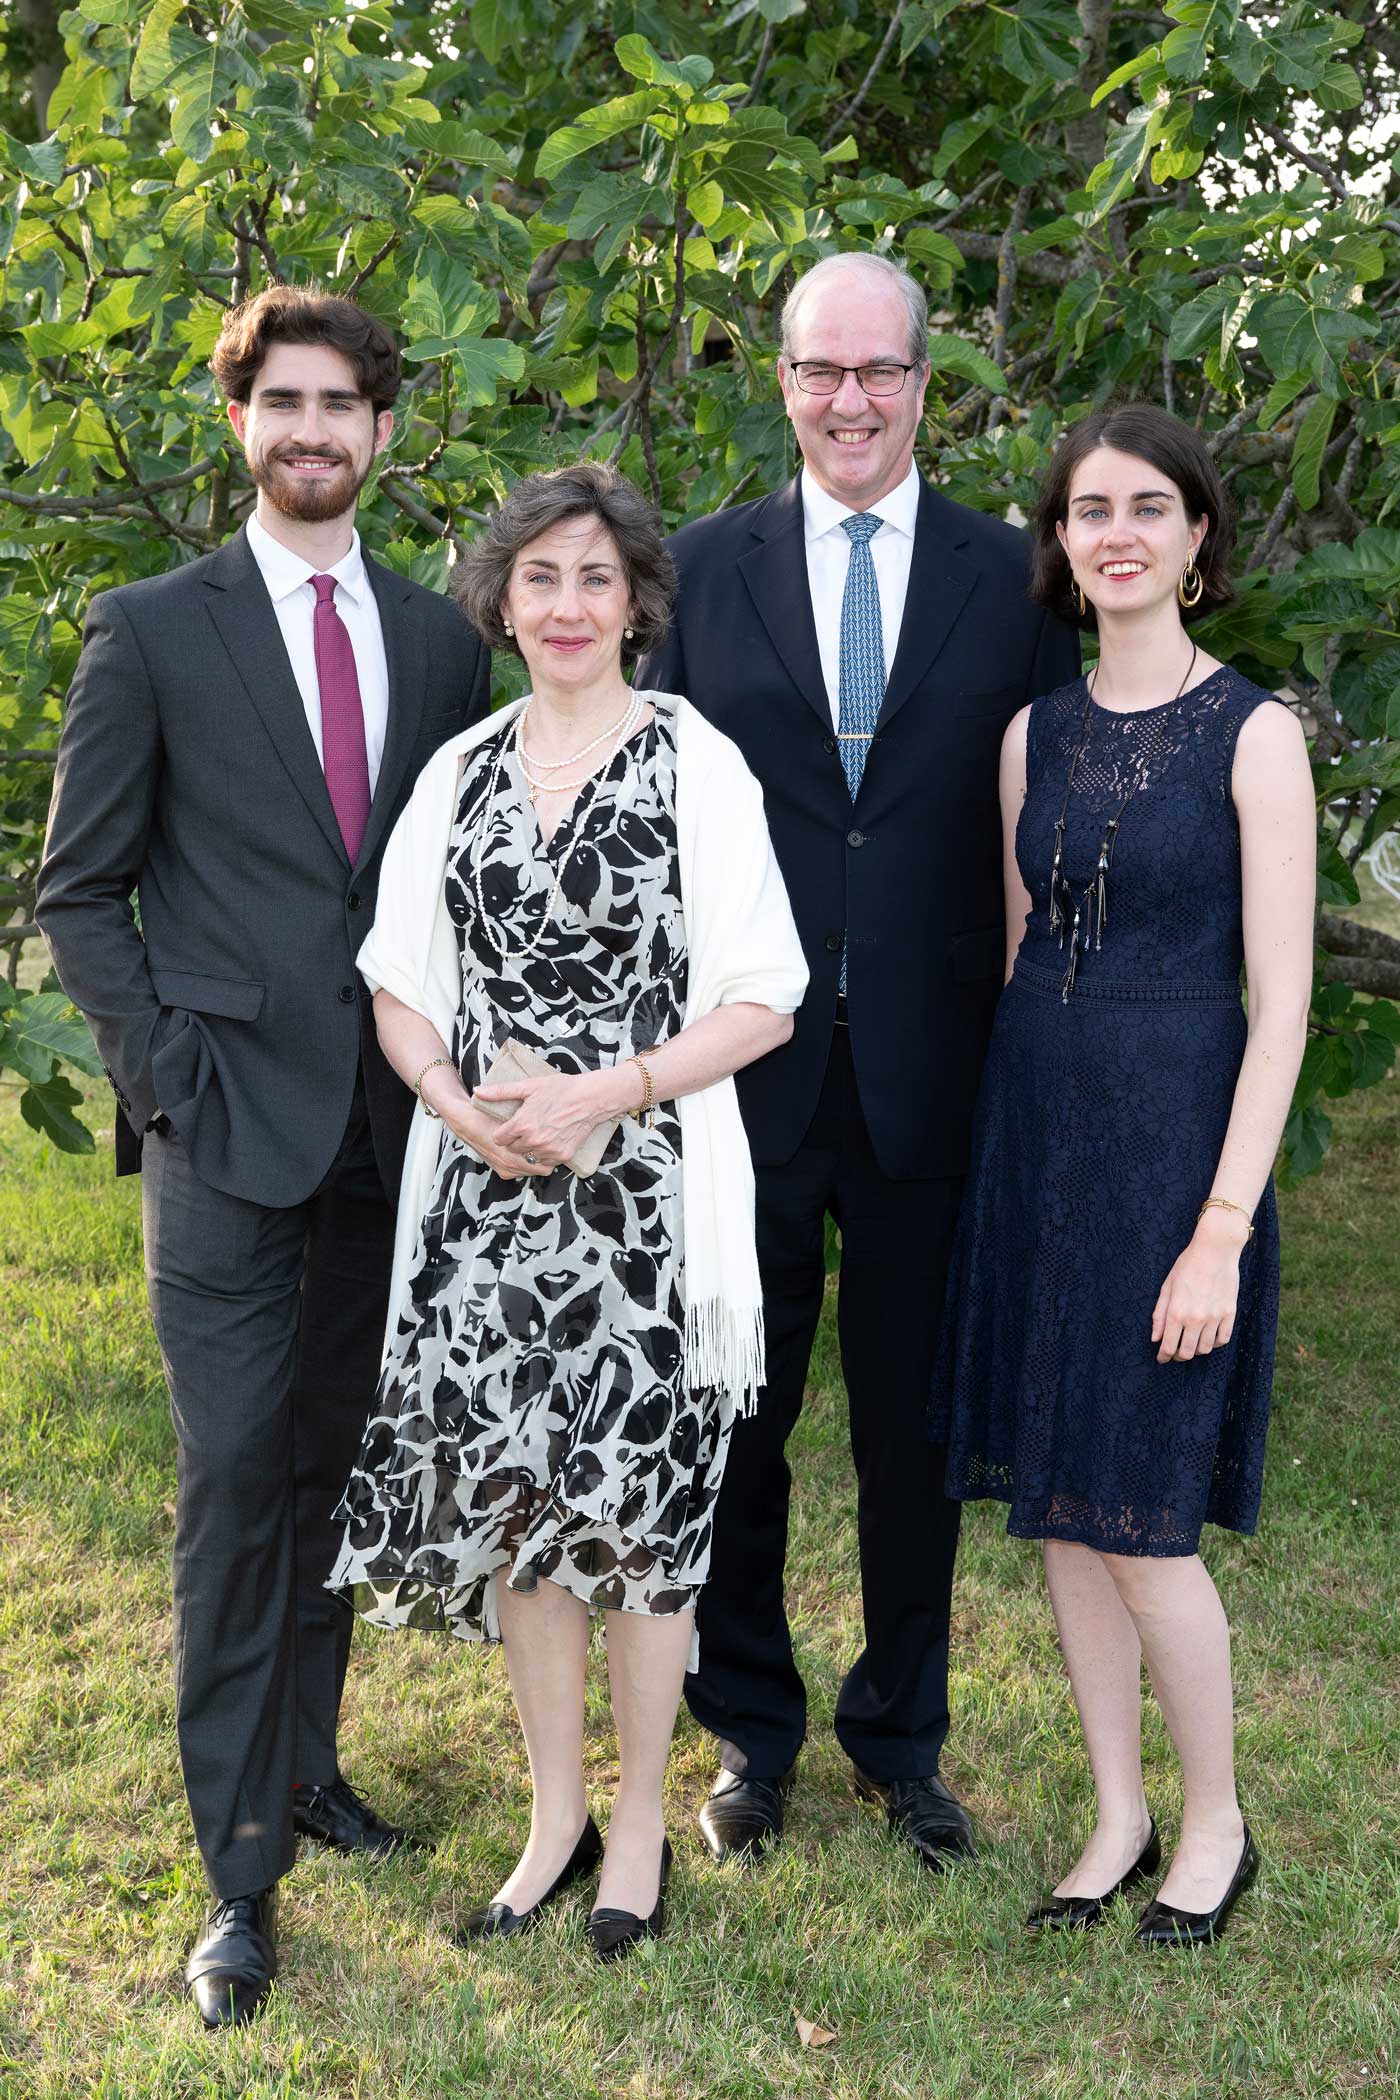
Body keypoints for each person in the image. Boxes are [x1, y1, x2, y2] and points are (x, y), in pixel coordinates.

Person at [35, 285, 490, 2026]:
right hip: (222, 1128)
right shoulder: (152, 627)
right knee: (235, 1481)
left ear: (382, 430)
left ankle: (304, 1762)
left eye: (341, 405)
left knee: (331, 1469)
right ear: (240, 423)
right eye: (281, 403)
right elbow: (82, 890)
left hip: (392, 1130)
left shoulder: (440, 644)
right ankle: (237, 1872)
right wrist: (163, 1077)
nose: (312, 431)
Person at [635, 251, 1081, 1872]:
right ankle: (748, 1732)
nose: (850, 400)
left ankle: (902, 1738)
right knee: (737, 1421)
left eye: (880, 370)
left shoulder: (1014, 582)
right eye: (821, 370)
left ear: (923, 385)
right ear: (782, 383)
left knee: (914, 1435)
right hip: (742, 1074)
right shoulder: (695, 571)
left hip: (935, 1070)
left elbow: (1048, 818)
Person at [328, 462, 807, 1961]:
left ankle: (641, 1827)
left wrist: (610, 1089)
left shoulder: (696, 763)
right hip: (488, 1206)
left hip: (646, 1207)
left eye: (597, 578)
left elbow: (768, 998)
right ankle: (554, 1823)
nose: (569, 605)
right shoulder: (461, 771)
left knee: (643, 1527)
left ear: (638, 602)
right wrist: (456, 1103)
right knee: (525, 1522)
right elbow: (400, 983)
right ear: (502, 599)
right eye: (541, 578)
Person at [931, 402, 1314, 1946]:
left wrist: (1220, 1229)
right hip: (1039, 1145)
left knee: (1144, 1520)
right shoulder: (1033, 736)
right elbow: (1024, 951)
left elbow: (1282, 1005)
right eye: (1092, 509)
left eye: (1150, 506)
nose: (1121, 534)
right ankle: (1116, 1814)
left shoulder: (1256, 734)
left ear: (1197, 534)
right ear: (1063, 543)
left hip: (1175, 1158)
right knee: (1063, 1507)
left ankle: (1216, 1824)